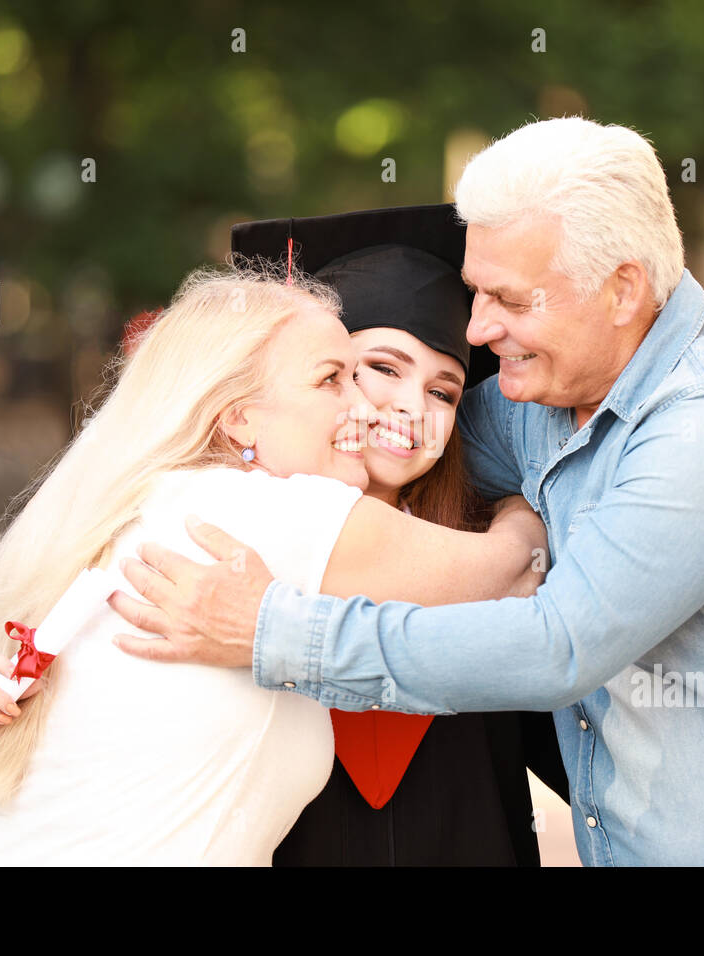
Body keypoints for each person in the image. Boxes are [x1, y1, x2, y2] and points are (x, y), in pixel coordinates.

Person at [106, 117, 704, 866]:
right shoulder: (538, 399)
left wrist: (269, 630)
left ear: (623, 289)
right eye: (476, 293)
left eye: (510, 300)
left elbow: (560, 645)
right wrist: (46, 636)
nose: (475, 332)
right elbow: (373, 441)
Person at [0, 265, 549, 865]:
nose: (368, 407)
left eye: (443, 391)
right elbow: (511, 574)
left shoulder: (159, 503)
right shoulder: (249, 512)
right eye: (341, 378)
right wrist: (527, 497)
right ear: (237, 415)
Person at [232, 204, 569, 866]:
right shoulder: (228, 545)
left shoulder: (496, 557)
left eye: (445, 391)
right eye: (382, 368)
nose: (412, 408)